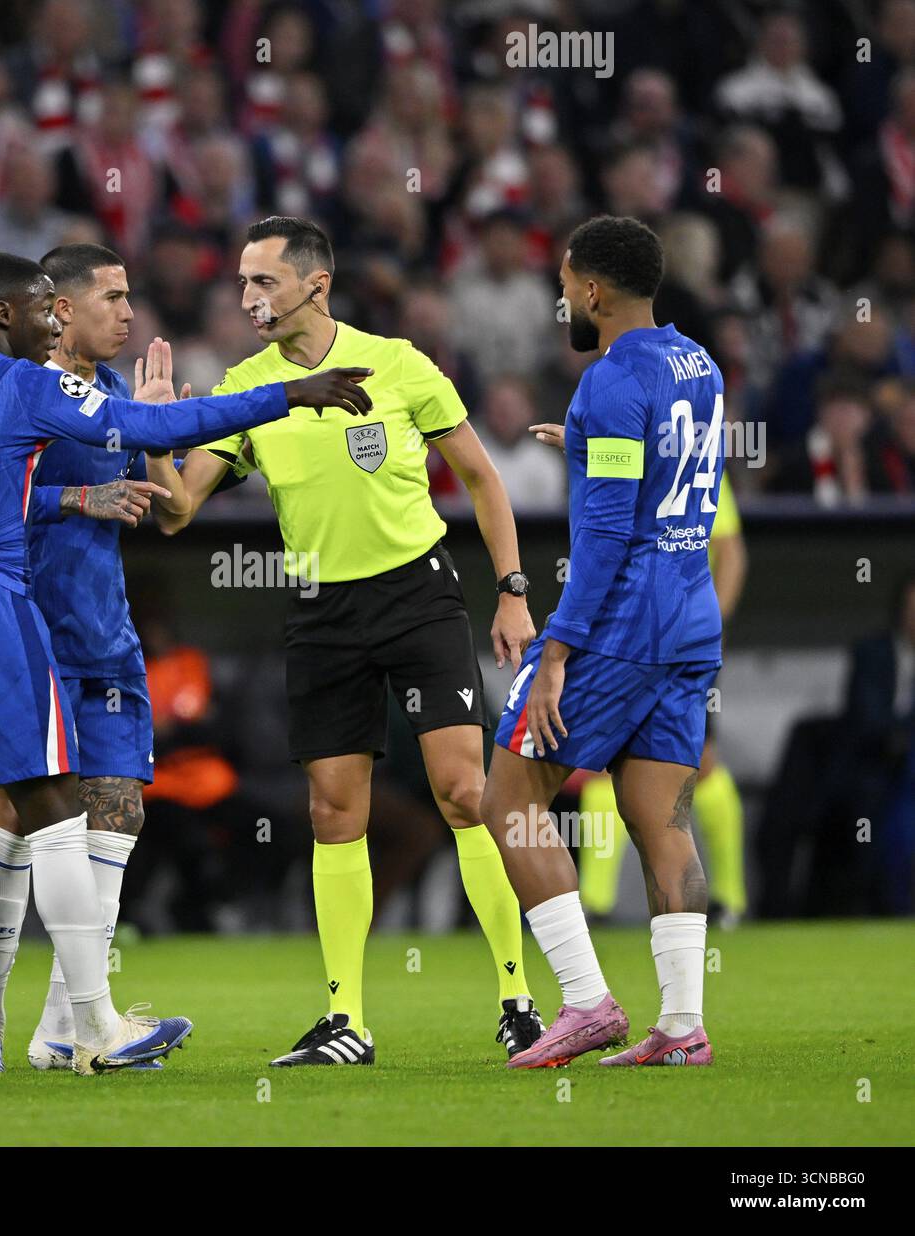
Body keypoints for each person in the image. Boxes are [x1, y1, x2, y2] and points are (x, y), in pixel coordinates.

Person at [0, 249, 372, 1078]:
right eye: (41, 308)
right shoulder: (25, 384)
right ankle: (89, 1023)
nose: (52, 320)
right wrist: (287, 394)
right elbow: (151, 430)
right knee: (52, 816)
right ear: (4, 314)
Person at [153, 215, 545, 1066]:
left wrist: (512, 593)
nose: (248, 298)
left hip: (418, 594)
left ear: (314, 285)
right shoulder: (247, 389)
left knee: (463, 793)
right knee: (335, 812)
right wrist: (156, 435)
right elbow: (181, 511)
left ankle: (518, 1000)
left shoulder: (399, 364)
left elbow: (482, 478)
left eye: (264, 282)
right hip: (323, 610)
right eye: (243, 283)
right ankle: (347, 1022)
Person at [489, 215, 723, 1068]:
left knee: (507, 799)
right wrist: (586, 446)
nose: (561, 297)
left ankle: (587, 1003)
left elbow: (612, 534)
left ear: (592, 289)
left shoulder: (610, 382)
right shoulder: (698, 361)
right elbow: (667, 468)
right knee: (661, 816)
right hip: (691, 616)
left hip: (623, 623)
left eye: (564, 283)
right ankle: (683, 1025)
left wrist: (557, 650)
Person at [0, 242, 198, 1073]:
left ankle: (66, 1030)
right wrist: (75, 495)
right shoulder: (15, 391)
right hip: (24, 631)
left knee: (118, 813)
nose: (130, 312)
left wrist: (161, 430)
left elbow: (171, 517)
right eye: (114, 297)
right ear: (60, 309)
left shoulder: (119, 392)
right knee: (14, 821)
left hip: (103, 636)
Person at [576, 471, 748, 927]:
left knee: (698, 763)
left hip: (681, 638)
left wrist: (713, 623)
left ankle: (730, 898)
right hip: (621, 634)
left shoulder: (698, 461)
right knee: (600, 759)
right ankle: (594, 903)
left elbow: (730, 551)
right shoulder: (617, 452)